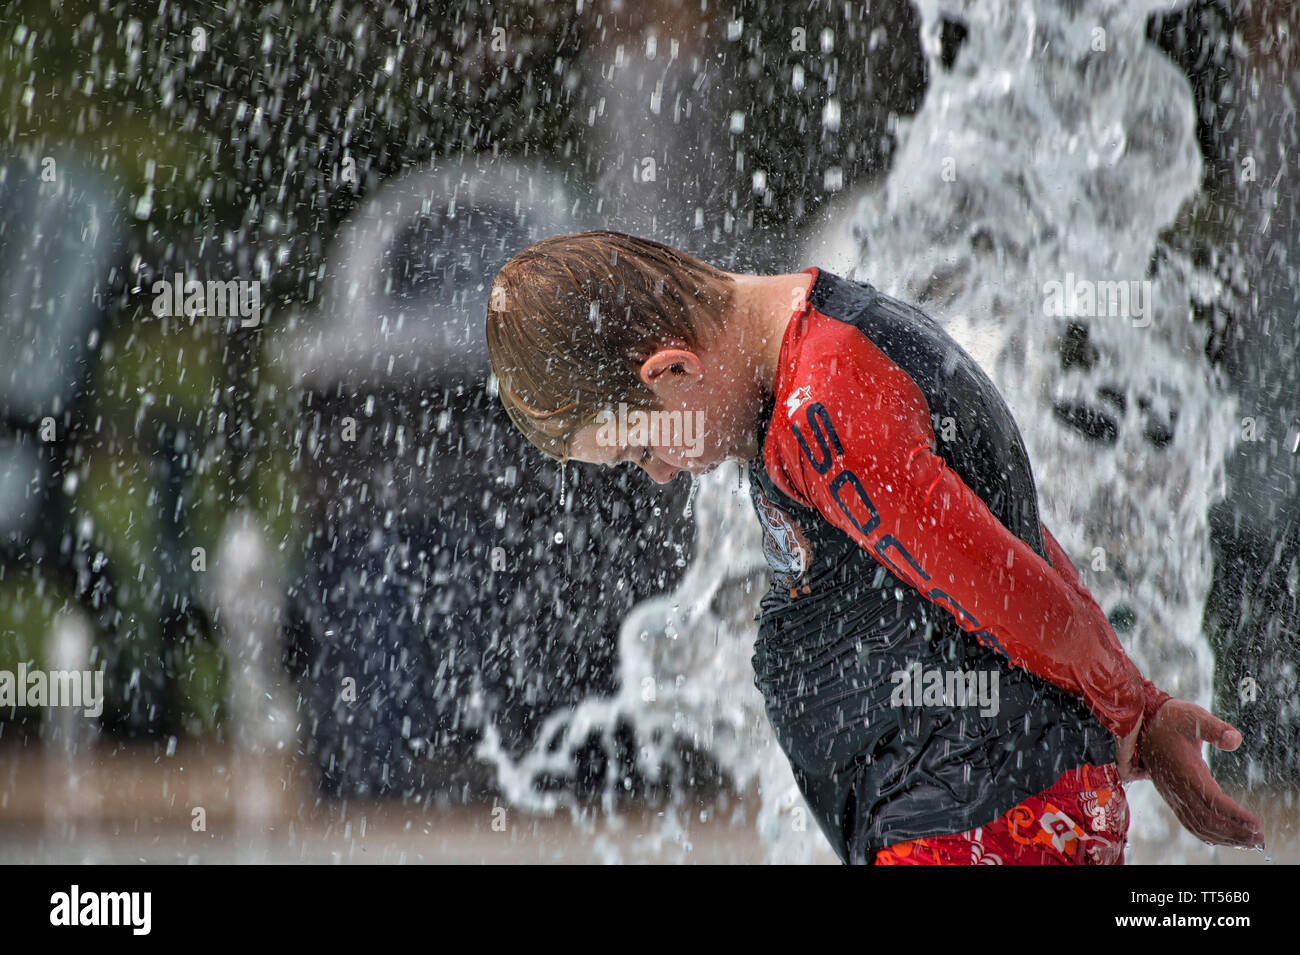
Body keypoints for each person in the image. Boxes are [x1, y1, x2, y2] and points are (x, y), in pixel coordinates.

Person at [484, 229, 1265, 864]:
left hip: (978, 814)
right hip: (966, 808)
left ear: (675, 369)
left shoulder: (823, 407)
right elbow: (1005, 541)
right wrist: (1145, 709)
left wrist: (1135, 711)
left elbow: (1006, 584)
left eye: (637, 450)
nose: (657, 473)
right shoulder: (822, 348)